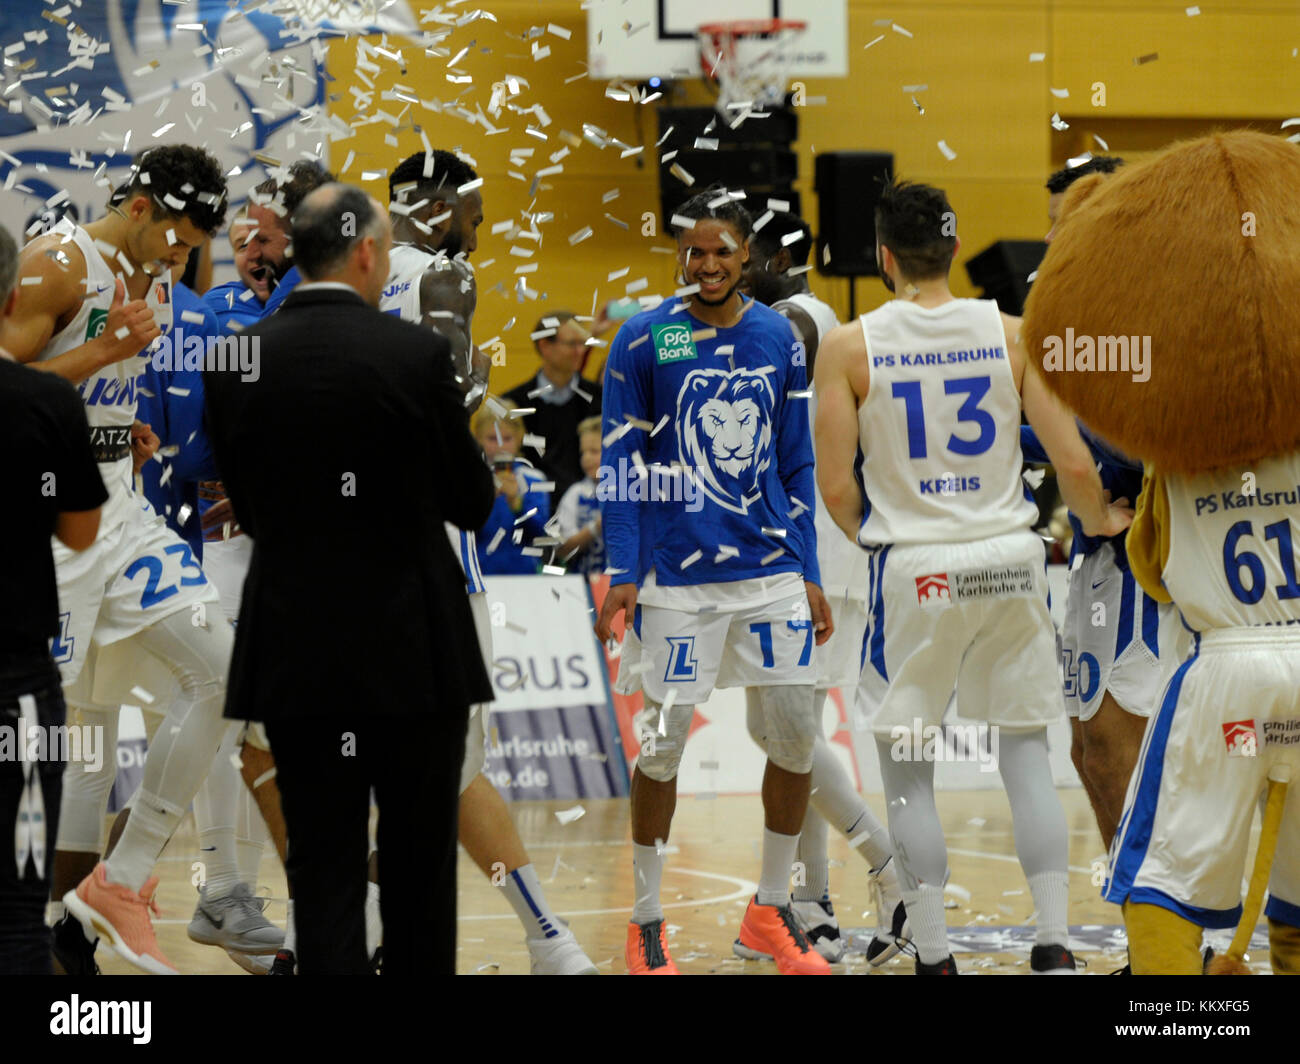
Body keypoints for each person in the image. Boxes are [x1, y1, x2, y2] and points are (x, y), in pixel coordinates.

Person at [814, 180, 1131, 975]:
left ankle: (935, 953)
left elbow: (834, 486)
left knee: (909, 766)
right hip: (1010, 560)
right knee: (1025, 751)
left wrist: (884, 541)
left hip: (916, 569)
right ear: (954, 249)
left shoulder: (849, 347)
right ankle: (1055, 943)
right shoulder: (1014, 333)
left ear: (884, 256)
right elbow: (1069, 459)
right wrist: (1102, 523)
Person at [204, 183, 496, 975]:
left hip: (296, 649)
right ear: (369, 252)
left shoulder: (238, 358)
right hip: (414, 650)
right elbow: (472, 504)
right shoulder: (418, 356)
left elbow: (251, 509)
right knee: (417, 870)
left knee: (322, 865)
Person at [5, 145, 236, 975]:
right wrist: (103, 357)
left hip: (119, 504)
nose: (182, 256)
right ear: (139, 207)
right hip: (45, 522)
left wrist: (115, 429)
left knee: (230, 669)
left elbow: (84, 394)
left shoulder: (161, 277)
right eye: (175, 237)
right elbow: (7, 384)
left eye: (194, 246)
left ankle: (123, 879)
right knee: (59, 750)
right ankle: (44, 945)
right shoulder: (56, 263)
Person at [595, 186, 834, 976]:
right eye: (693, 251)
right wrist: (622, 570)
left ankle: (768, 912)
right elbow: (622, 465)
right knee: (660, 752)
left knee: (798, 737)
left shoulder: (780, 337)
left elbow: (796, 460)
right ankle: (646, 920)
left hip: (769, 572)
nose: (705, 264)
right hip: (677, 583)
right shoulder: (645, 339)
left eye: (721, 250)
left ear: (749, 258)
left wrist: (808, 568)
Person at [381, 148, 596, 973]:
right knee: (453, 760)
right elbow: (448, 399)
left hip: (341, 548)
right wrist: (486, 438)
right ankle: (548, 939)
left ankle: (316, 931)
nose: (481, 223)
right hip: (432, 551)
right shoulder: (443, 277)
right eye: (475, 205)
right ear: (438, 206)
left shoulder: (342, 276)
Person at [741, 210, 907, 965]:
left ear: (776, 256)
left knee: (789, 732)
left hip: (810, 557)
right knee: (784, 730)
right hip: (814, 554)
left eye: (745, 255)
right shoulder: (820, 317)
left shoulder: (795, 321)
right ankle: (812, 901)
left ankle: (886, 870)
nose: (735, 269)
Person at [1020, 157, 1186, 869]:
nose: (1053, 245)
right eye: (1052, 229)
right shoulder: (1078, 321)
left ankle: (1185, 937)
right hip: (1097, 558)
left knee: (1130, 750)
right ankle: (1144, 927)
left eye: (1066, 227)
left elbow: (1149, 440)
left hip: (1148, 565)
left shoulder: (1158, 311)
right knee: (1088, 748)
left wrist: (1049, 441)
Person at [0, 224, 108, 974]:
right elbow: (79, 533)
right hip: (18, 686)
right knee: (16, 917)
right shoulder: (44, 398)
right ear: (11, 297)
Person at [204, 161, 332, 331]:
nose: (251, 253)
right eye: (242, 245)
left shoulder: (365, 294)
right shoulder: (222, 304)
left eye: (263, 240)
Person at [504, 311, 602, 505]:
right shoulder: (513, 404)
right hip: (532, 513)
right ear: (545, 346)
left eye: (582, 343)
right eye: (572, 344)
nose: (580, 351)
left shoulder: (601, 399)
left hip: (588, 513)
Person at [475, 401, 553, 576]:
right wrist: (485, 498)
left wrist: (517, 503)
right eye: (492, 439)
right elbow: (462, 532)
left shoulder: (534, 479)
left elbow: (540, 536)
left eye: (507, 438)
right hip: (480, 574)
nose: (501, 446)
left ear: (519, 438)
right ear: (478, 438)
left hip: (523, 575)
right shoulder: (471, 478)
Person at [555, 416, 606, 576]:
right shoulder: (575, 494)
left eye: (594, 451)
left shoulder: (632, 492)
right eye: (583, 452)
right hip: (584, 588)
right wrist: (596, 527)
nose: (587, 458)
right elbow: (562, 549)